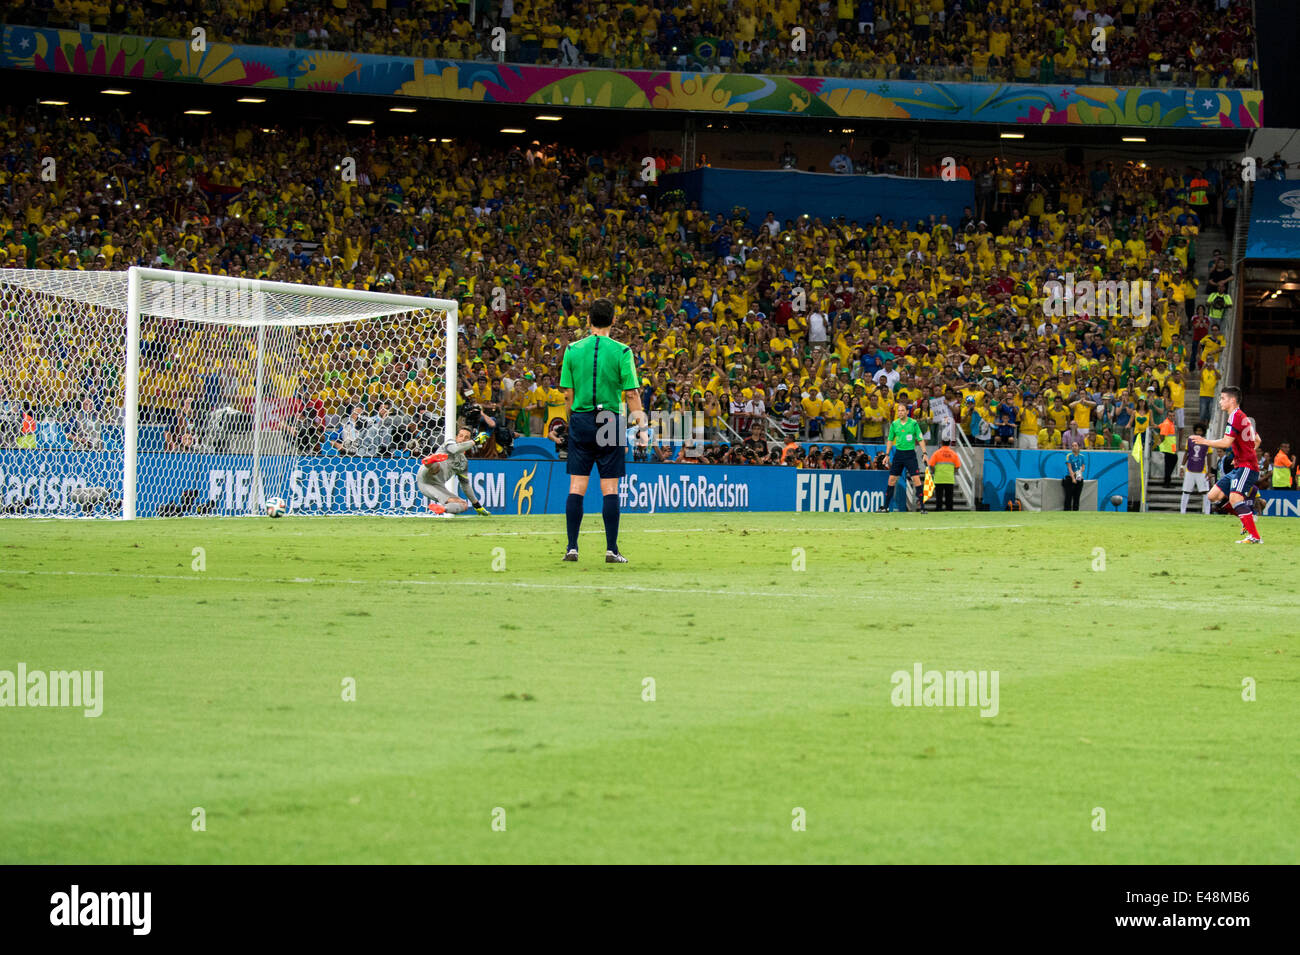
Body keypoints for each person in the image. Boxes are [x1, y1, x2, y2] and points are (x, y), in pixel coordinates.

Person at [558, 298, 644, 563]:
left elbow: (567, 394)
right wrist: (641, 427)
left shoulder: (572, 349)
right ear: (613, 320)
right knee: (610, 487)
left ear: (588, 320)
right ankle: (611, 549)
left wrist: (575, 419)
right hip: (610, 418)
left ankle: (572, 548)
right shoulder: (623, 351)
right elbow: (631, 394)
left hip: (581, 418)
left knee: (577, 485)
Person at [1191, 386, 1262, 543]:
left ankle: (1255, 536)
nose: (1220, 401)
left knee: (1235, 498)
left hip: (1247, 467)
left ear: (1232, 400)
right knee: (1212, 496)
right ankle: (1247, 519)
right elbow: (1257, 441)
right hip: (1240, 466)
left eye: (1223, 398)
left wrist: (1205, 441)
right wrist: (1243, 453)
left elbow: (1225, 442)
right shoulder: (1242, 417)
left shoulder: (1236, 417)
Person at [416, 428, 491, 515]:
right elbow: (455, 449)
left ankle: (442, 508)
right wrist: (475, 441)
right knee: (437, 466)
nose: (463, 439)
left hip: (435, 487)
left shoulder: (463, 463)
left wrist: (477, 505)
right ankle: (429, 462)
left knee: (464, 504)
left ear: (469, 440)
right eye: (461, 436)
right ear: (456, 437)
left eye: (466, 437)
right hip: (426, 473)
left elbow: (465, 485)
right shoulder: (449, 443)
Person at [883, 402, 928, 514]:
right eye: (899, 411)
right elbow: (890, 439)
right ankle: (886, 507)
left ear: (907, 412)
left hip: (910, 455)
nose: (900, 412)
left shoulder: (913, 423)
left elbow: (920, 438)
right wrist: (887, 454)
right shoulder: (894, 424)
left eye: (902, 410)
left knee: (916, 479)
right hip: (898, 454)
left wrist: (925, 453)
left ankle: (922, 507)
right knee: (891, 480)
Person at [1180, 424, 1213, 514]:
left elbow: (1209, 456)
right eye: (1197, 430)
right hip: (1190, 470)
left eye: (1200, 431)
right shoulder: (1190, 440)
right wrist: (1182, 466)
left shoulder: (1206, 442)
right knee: (1186, 491)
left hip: (1202, 470)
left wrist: (1209, 471)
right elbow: (1187, 453)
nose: (1199, 432)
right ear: (1194, 431)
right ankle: (1182, 512)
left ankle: (1207, 512)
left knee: (1205, 492)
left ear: (1203, 432)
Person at [927, 439, 961, 511]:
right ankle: (949, 511)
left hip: (939, 478)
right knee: (949, 498)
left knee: (939, 497)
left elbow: (931, 465)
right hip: (949, 479)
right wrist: (952, 472)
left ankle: (939, 510)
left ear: (941, 443)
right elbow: (958, 466)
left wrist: (935, 472)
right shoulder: (953, 454)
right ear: (949, 443)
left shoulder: (937, 453)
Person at [1062, 441, 1086, 511]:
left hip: (1079, 477)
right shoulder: (1069, 456)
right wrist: (1073, 478)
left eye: (1075, 445)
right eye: (1072, 446)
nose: (1074, 447)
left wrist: (1079, 472)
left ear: (1078, 447)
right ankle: (1067, 511)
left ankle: (1076, 511)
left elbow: (1083, 468)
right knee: (1068, 496)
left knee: (1077, 497)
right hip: (1070, 478)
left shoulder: (1082, 457)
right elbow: (1069, 468)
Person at [1157, 412, 1178, 487]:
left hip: (1170, 448)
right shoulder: (1167, 423)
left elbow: (1159, 426)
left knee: (1168, 465)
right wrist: (1160, 442)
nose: (1172, 417)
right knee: (1170, 465)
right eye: (1170, 416)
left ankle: (1167, 482)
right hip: (1167, 448)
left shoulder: (1169, 423)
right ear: (1167, 416)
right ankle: (1167, 482)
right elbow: (1162, 435)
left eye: (1173, 416)